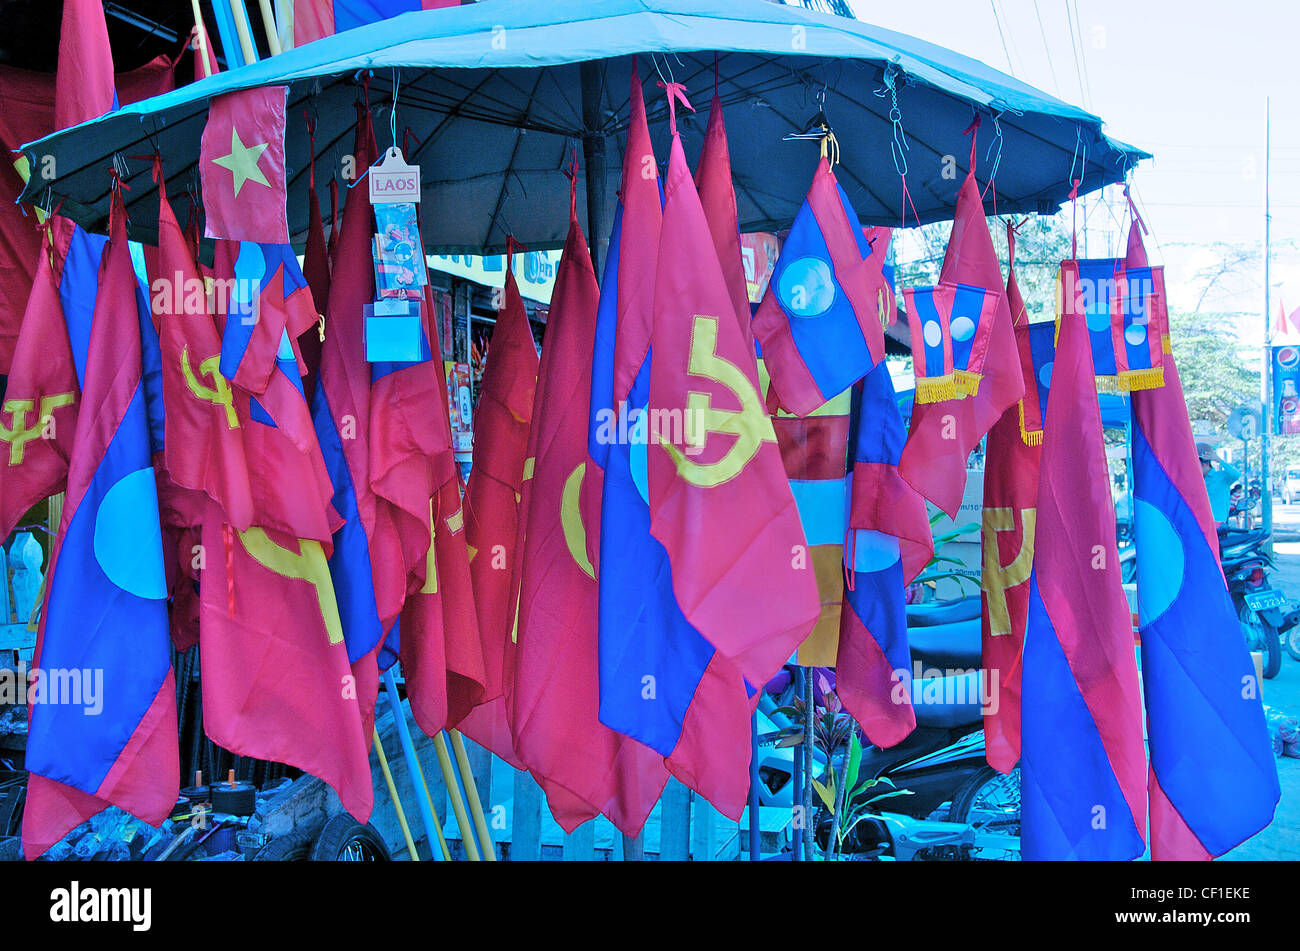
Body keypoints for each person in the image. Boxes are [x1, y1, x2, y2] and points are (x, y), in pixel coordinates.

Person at [1198, 443, 1241, 526]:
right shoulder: (1197, 480)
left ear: (1205, 464)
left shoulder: (1222, 477)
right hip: (1201, 523)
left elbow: (1236, 474)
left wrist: (1218, 459)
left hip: (1217, 523)